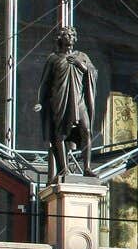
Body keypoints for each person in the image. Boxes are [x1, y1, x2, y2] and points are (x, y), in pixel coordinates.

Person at [35, 25, 97, 182]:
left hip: (79, 100)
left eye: (71, 35)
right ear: (60, 39)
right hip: (60, 99)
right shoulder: (53, 58)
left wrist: (80, 64)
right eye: (66, 35)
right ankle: (64, 168)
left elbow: (92, 73)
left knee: (86, 130)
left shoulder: (82, 56)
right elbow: (45, 83)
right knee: (60, 133)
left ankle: (87, 167)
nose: (69, 37)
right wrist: (40, 101)